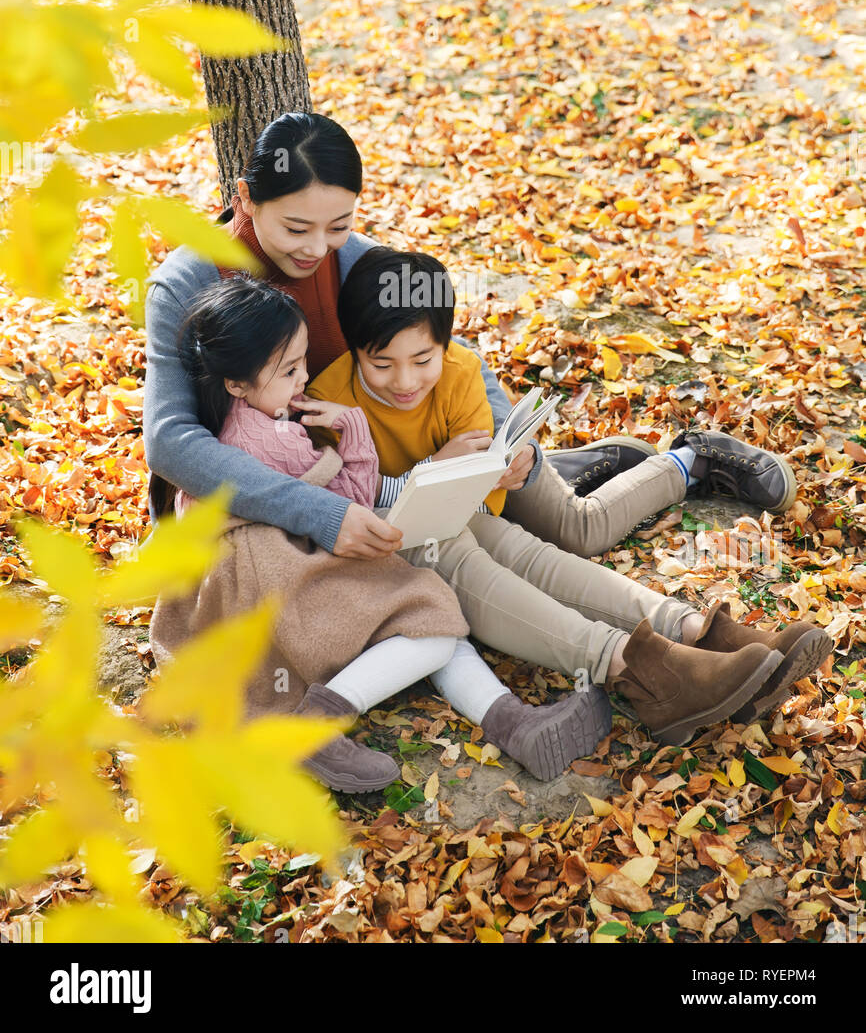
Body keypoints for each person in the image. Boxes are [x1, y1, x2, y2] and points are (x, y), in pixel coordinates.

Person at [305, 246, 833, 746]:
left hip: (462, 513)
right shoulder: (327, 398)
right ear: (355, 351)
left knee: (527, 552)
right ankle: (646, 674)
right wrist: (436, 469)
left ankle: (699, 632)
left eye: (423, 359)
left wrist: (498, 467)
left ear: (444, 343)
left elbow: (481, 491)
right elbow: (345, 493)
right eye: (382, 365)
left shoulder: (461, 372)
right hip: (388, 539)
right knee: (468, 558)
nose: (405, 381)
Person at [150, 272, 612, 790]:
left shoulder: (240, 422)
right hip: (272, 576)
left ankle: (513, 722)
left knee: (421, 612)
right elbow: (353, 497)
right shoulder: (273, 439)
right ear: (236, 383)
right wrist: (355, 428)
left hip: (257, 572)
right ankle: (319, 725)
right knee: (429, 622)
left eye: (303, 362)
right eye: (288, 371)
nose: (304, 378)